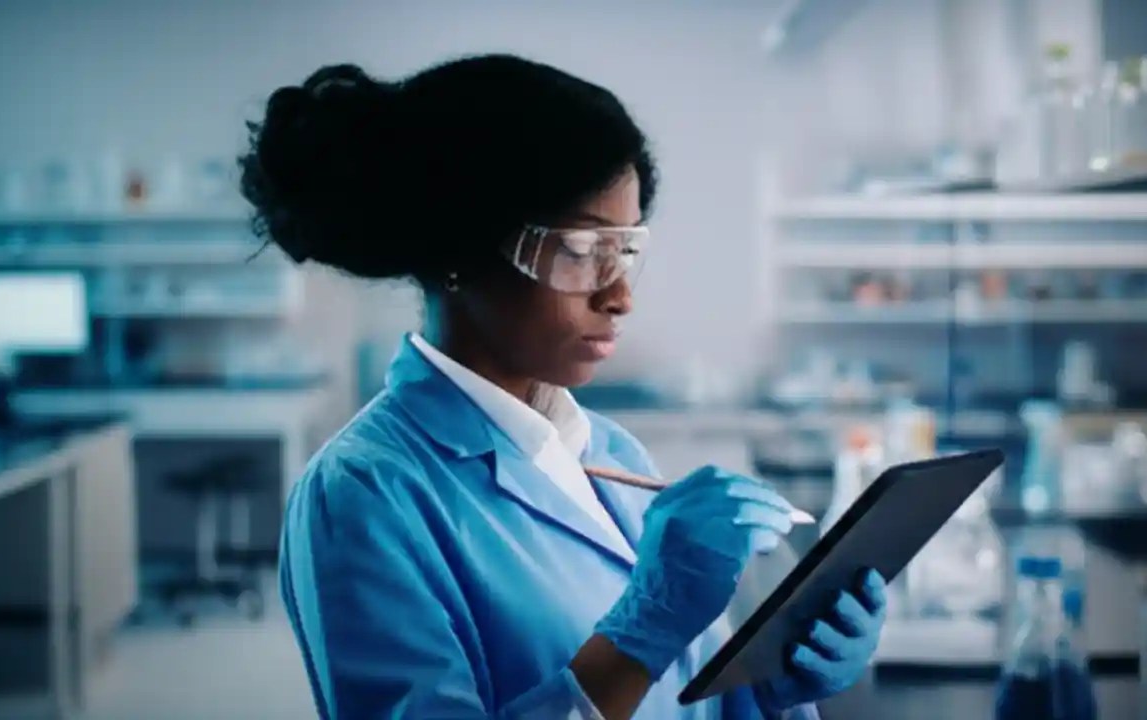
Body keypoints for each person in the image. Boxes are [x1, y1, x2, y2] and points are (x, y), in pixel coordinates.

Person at [240, 54, 886, 720]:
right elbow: (641, 652)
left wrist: (771, 690)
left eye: (624, 251)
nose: (620, 296)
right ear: (460, 251)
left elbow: (680, 702)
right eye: (581, 252)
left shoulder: (612, 452)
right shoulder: (362, 492)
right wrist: (642, 632)